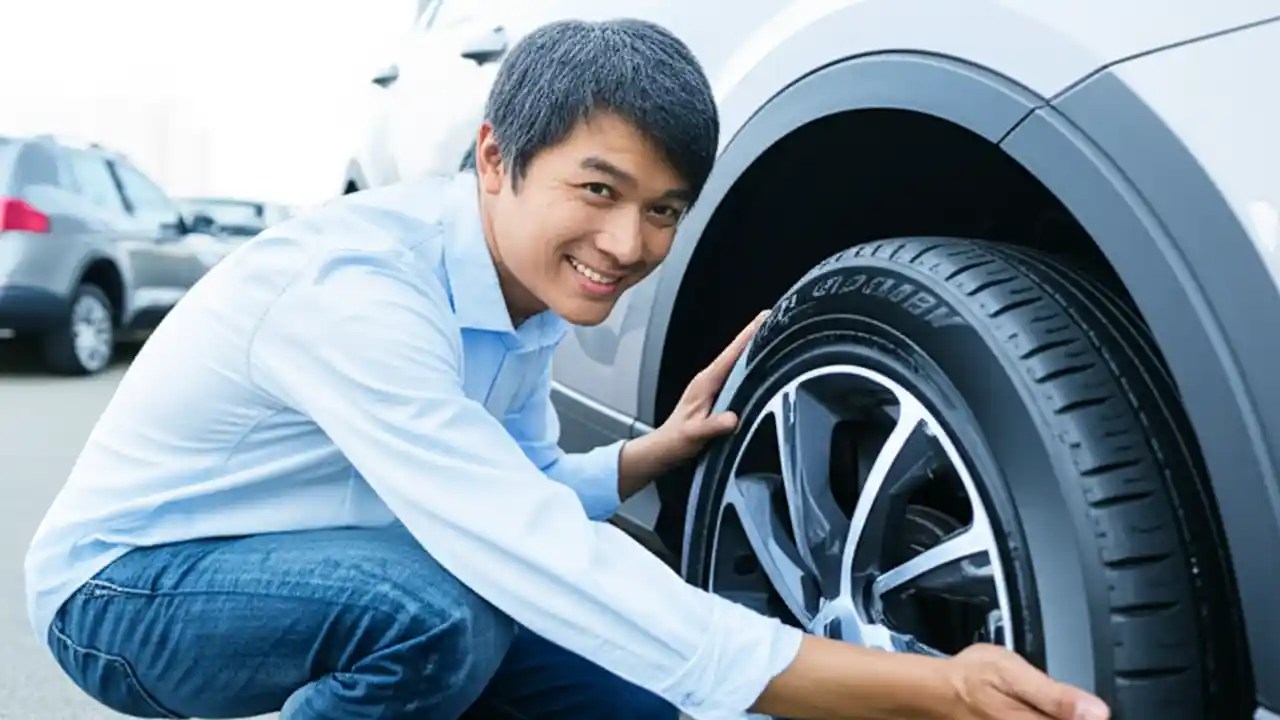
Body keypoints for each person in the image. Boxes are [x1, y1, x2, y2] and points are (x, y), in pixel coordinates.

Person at [25, 17, 1111, 720]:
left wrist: (647, 456)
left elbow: (523, 488)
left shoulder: (516, 294)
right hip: (126, 591)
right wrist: (925, 686)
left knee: (648, 702)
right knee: (438, 618)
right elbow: (525, 545)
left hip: (332, 559)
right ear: (496, 158)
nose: (629, 246)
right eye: (597, 191)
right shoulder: (355, 294)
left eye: (663, 211)